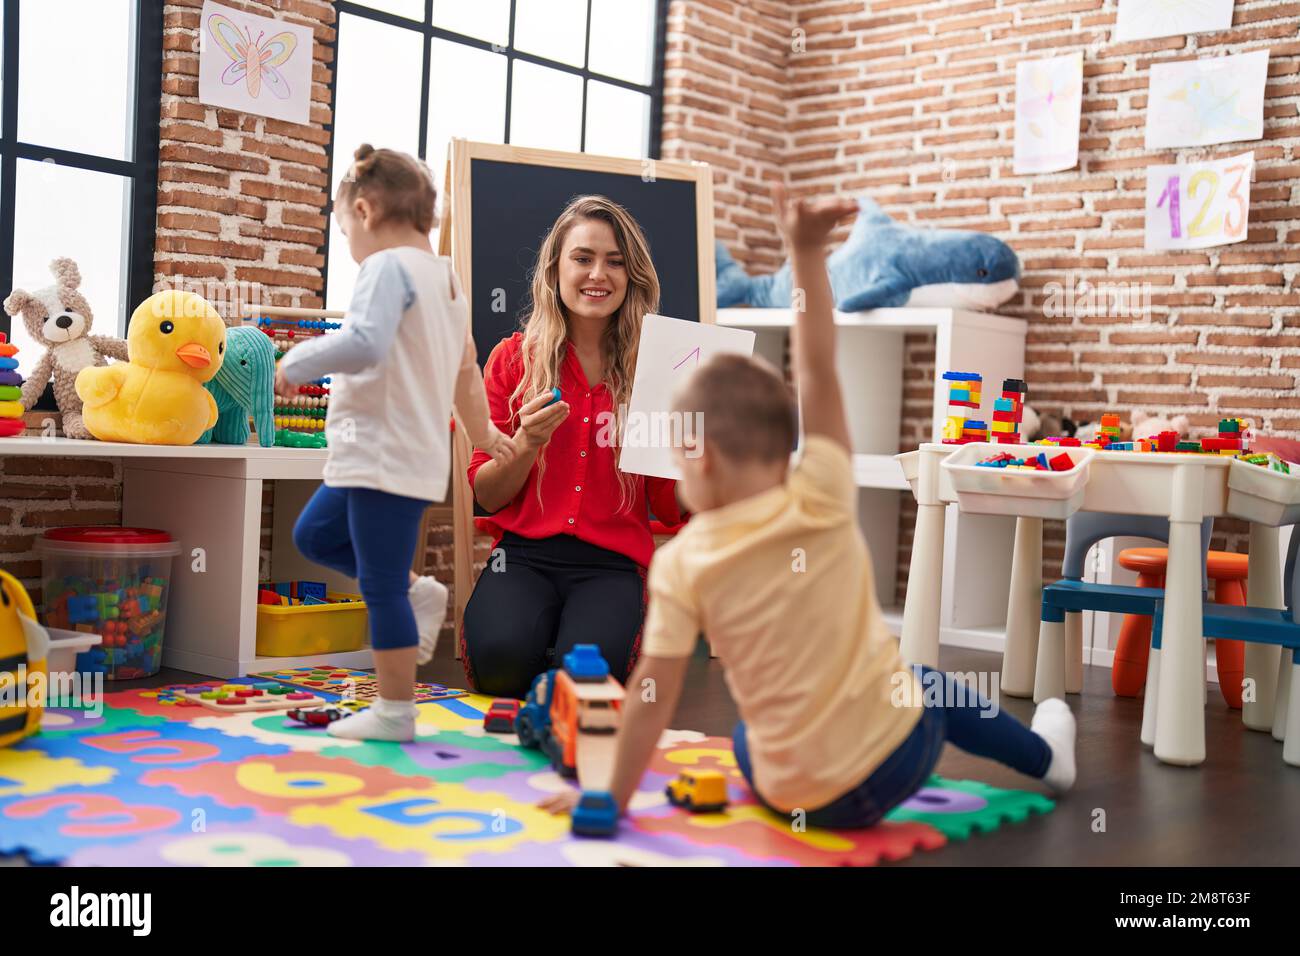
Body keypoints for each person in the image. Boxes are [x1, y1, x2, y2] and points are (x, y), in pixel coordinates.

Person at [543, 185, 1076, 828]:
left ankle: (816, 764)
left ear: (699, 456)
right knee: (926, 685)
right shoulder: (821, 488)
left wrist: (607, 799)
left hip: (793, 794)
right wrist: (804, 251)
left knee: (747, 735)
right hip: (892, 766)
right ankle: (1049, 760)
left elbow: (652, 697)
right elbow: (820, 365)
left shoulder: (681, 564)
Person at [276, 144, 512, 742]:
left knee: (378, 585)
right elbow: (466, 370)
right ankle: (421, 594)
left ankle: (395, 711)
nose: (349, 245)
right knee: (315, 536)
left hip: (385, 454)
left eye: (344, 230)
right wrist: (485, 433)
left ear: (366, 209)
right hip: (383, 455)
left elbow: (365, 341)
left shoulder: (385, 268)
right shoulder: (447, 279)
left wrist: (298, 360)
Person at [462, 195, 683, 700]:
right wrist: (525, 443)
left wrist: (701, 461)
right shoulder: (513, 361)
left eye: (615, 262)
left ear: (633, 277)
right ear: (555, 269)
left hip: (613, 563)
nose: (597, 275)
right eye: (582, 258)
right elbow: (488, 496)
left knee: (584, 682)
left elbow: (670, 505)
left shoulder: (660, 369)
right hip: (521, 556)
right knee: (499, 664)